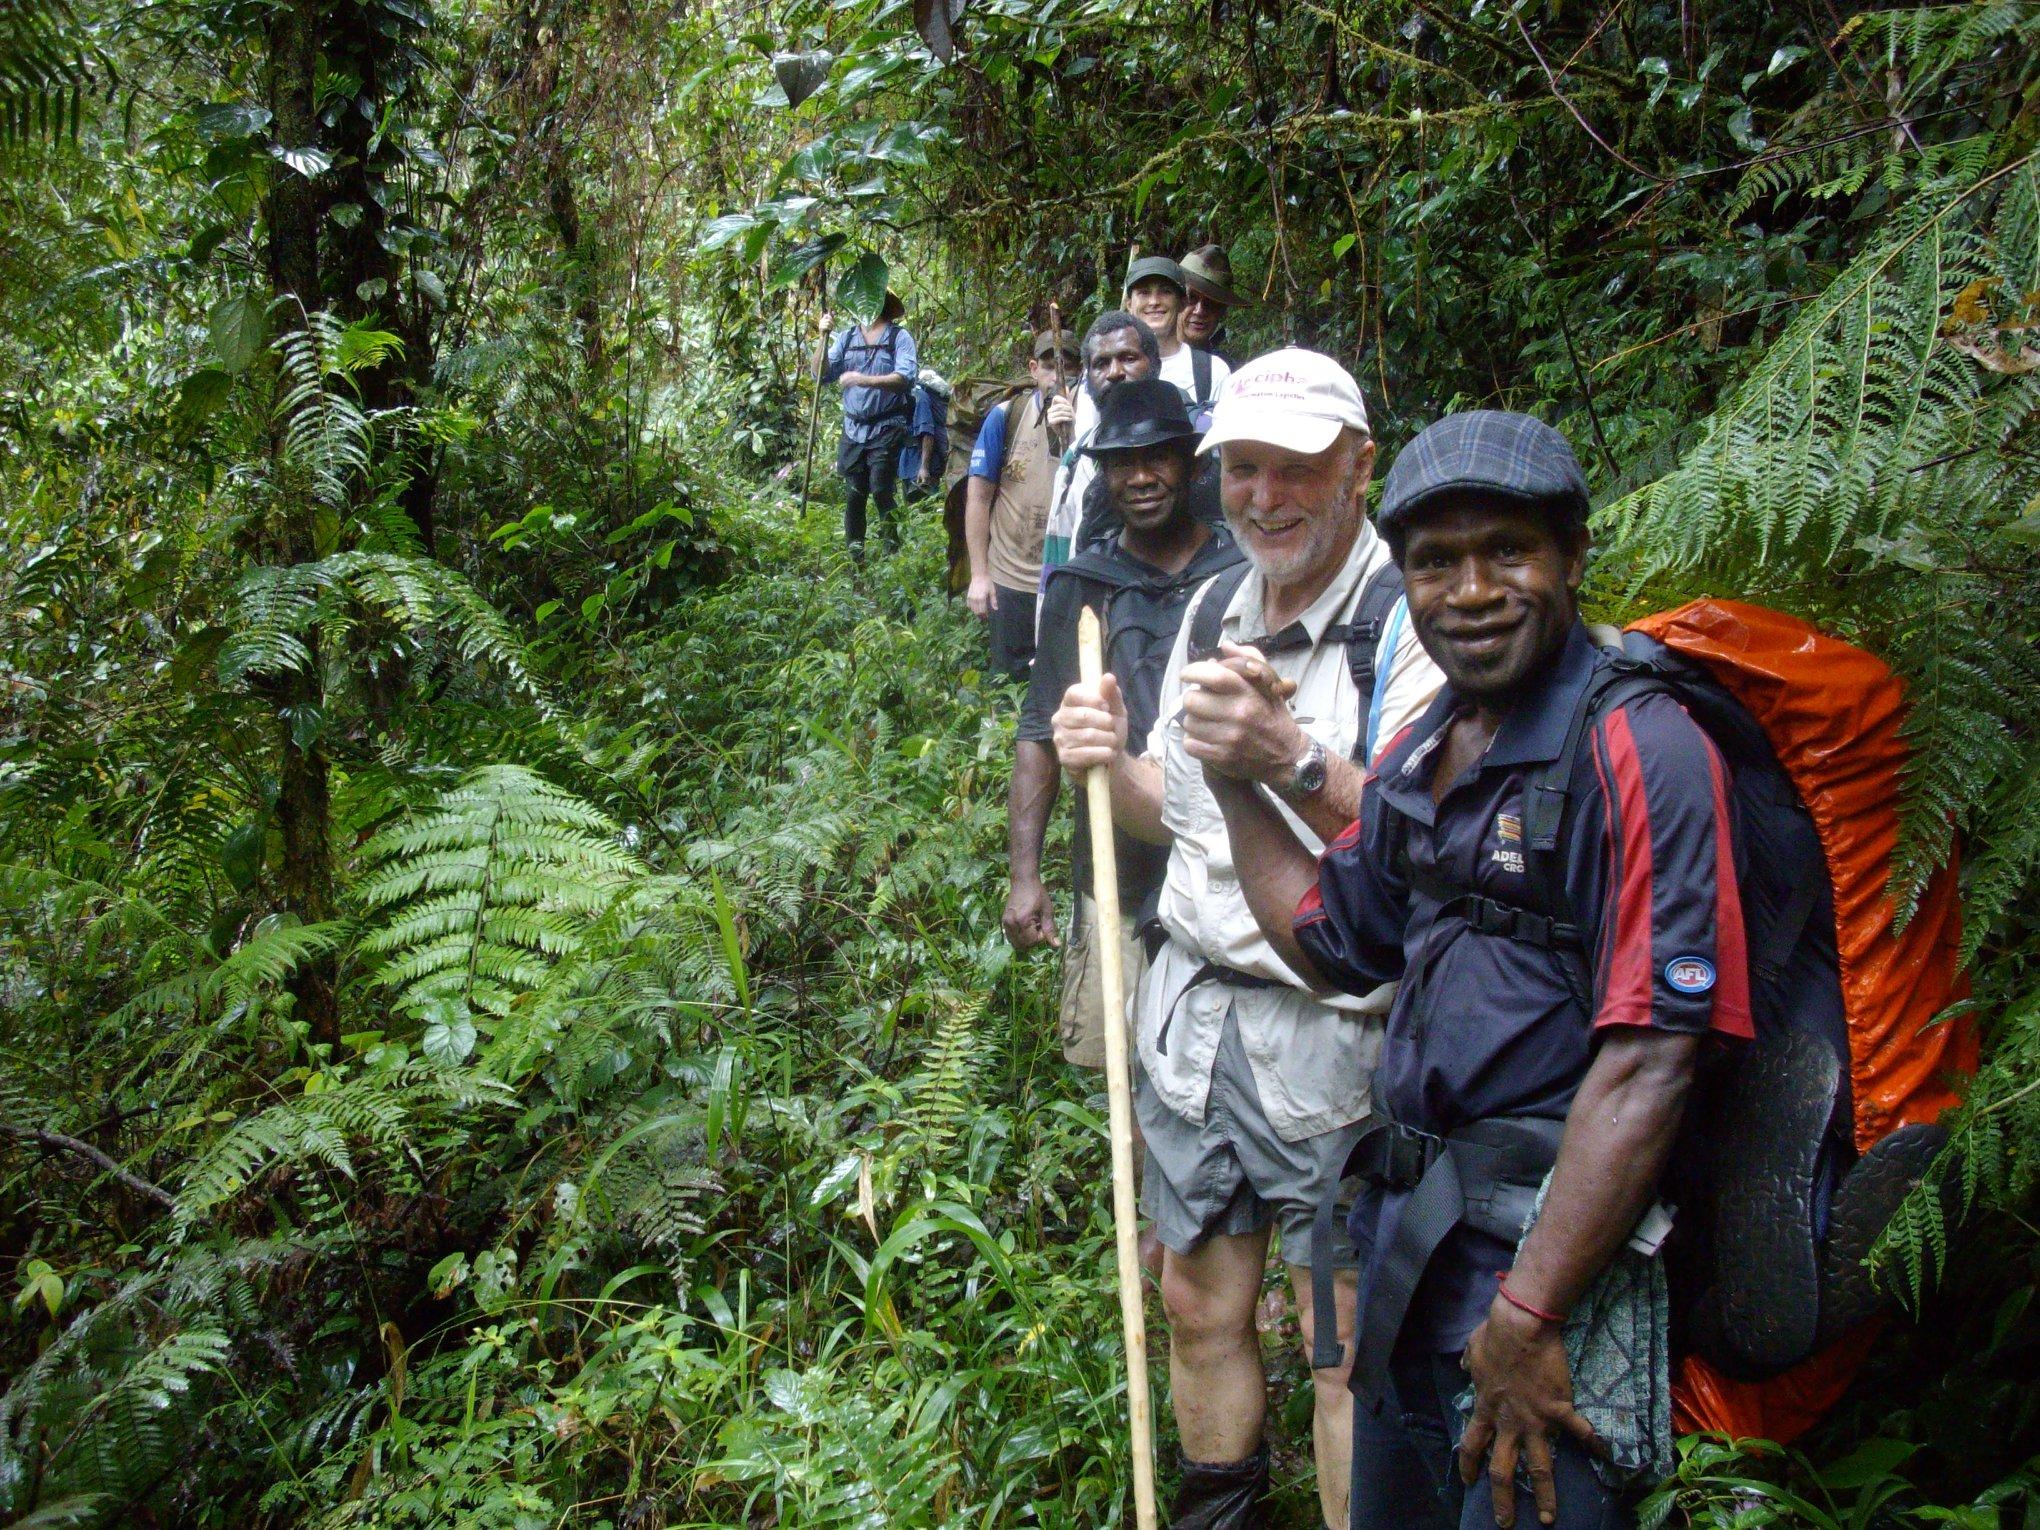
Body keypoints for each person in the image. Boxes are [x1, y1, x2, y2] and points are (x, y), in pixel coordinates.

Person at [1205, 411, 1753, 1530]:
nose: (1471, 590)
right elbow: (1330, 939)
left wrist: (1530, 1312)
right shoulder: (1429, 744)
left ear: (1572, 558)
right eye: (1435, 563)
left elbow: (1653, 1060)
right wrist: (1231, 785)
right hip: (1414, 1252)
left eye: (1508, 551)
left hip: (1552, 1274)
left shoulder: (1641, 750)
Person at [1051, 350, 1442, 1528]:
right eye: (1244, 469)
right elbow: (1165, 813)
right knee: (1197, 1308)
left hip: (1330, 1049)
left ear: (1359, 468)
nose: (1263, 496)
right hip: (1190, 1028)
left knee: (1338, 1349)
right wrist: (1106, 758)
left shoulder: (1411, 624)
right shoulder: (1221, 605)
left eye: (1296, 470)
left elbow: (1440, 844)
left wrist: (1292, 759)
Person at [1008, 378, 1243, 1075]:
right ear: (1102, 475)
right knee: (1126, 1072)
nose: (1140, 477)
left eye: (1158, 458)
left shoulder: (1244, 574)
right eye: (1120, 463)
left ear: (1193, 463)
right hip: (1119, 873)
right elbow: (1040, 730)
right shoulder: (1084, 585)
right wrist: (1024, 875)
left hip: (1234, 871)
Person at [965, 327, 1081, 682]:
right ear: (1033, 369)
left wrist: (1074, 432)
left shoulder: (1093, 418)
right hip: (1010, 579)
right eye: (1049, 366)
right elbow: (979, 497)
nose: (1057, 376)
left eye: (1069, 367)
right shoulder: (1005, 416)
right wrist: (980, 575)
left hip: (1066, 576)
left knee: (1062, 682)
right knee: (1008, 683)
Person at [1039, 311, 1162, 578]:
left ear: (1154, 364)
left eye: (1128, 358)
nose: (1115, 372)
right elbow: (1059, 554)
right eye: (1101, 363)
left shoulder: (1189, 446)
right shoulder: (1077, 457)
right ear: (1088, 376)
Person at [818, 292, 917, 558]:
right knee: (854, 495)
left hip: (887, 426)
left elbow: (905, 378)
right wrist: (822, 335)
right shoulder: (847, 337)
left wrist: (863, 380)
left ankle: (892, 554)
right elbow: (821, 373)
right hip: (853, 429)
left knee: (881, 489)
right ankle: (856, 559)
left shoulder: (899, 337)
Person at [1122, 254, 1231, 430]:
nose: (1154, 302)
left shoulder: (1214, 370)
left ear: (1181, 303)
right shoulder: (1108, 367)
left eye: (1165, 292)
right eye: (1144, 293)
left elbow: (1221, 443)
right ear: (1129, 304)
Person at [1178, 244, 1248, 360]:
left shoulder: (1224, 371)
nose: (1200, 310)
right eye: (1191, 297)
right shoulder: (1145, 357)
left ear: (1222, 311)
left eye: (1211, 303)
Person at [899, 367, 951, 503]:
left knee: (924, 512)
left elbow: (927, 432)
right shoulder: (906, 398)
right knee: (913, 517)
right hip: (909, 466)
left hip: (921, 470)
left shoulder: (920, 397)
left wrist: (924, 468)